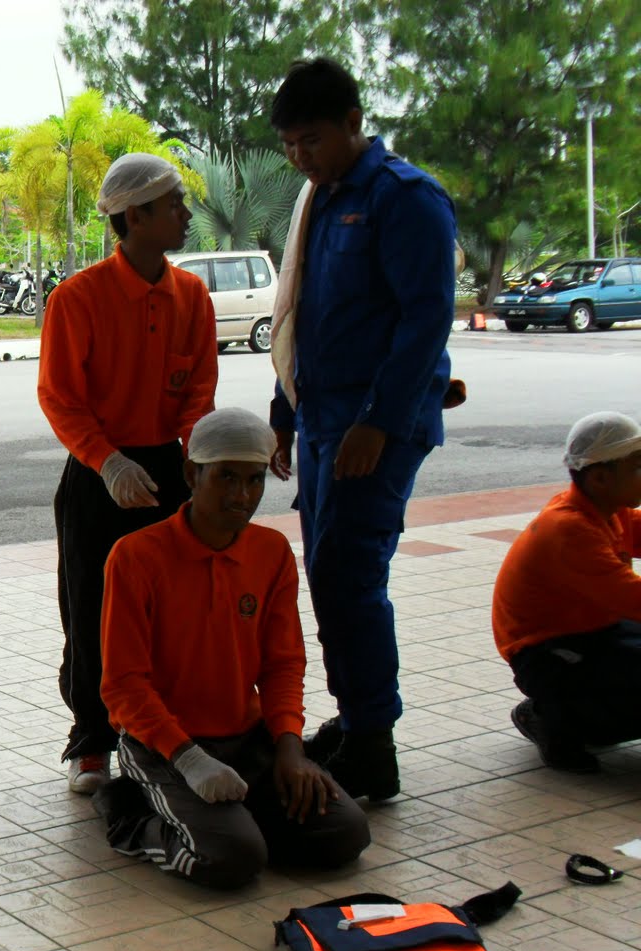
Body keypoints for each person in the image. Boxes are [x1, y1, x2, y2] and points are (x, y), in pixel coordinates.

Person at [266, 58, 457, 803]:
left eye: (310, 140)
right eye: (289, 145)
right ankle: (355, 720)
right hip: (320, 416)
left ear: (353, 123)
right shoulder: (324, 201)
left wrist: (380, 422)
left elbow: (425, 321)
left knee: (353, 575)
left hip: (374, 423)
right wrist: (284, 412)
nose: (299, 158)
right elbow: (306, 316)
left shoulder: (402, 199)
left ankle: (373, 740)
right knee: (328, 574)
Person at [100, 409, 370, 888]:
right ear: (191, 473)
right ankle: (133, 817)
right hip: (164, 744)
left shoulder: (271, 552)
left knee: (344, 835)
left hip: (247, 738)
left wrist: (291, 751)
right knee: (229, 860)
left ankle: (239, 820)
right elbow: (123, 686)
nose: (241, 496)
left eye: (254, 480)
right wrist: (188, 759)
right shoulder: (136, 557)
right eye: (225, 477)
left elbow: (283, 663)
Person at [37, 153, 218, 794]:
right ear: (135, 217)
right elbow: (61, 397)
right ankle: (92, 739)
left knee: (167, 609)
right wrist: (108, 461)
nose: (185, 215)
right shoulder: (77, 299)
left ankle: (160, 730)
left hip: (169, 469)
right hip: (96, 474)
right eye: (173, 205)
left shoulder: (192, 295)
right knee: (90, 609)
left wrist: (195, 456)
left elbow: (199, 386)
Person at [492, 412, 641, 773]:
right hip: (546, 651)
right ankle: (553, 719)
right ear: (601, 477)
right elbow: (634, 599)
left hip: (594, 630)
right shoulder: (570, 529)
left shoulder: (608, 510)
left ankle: (587, 713)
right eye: (638, 466)